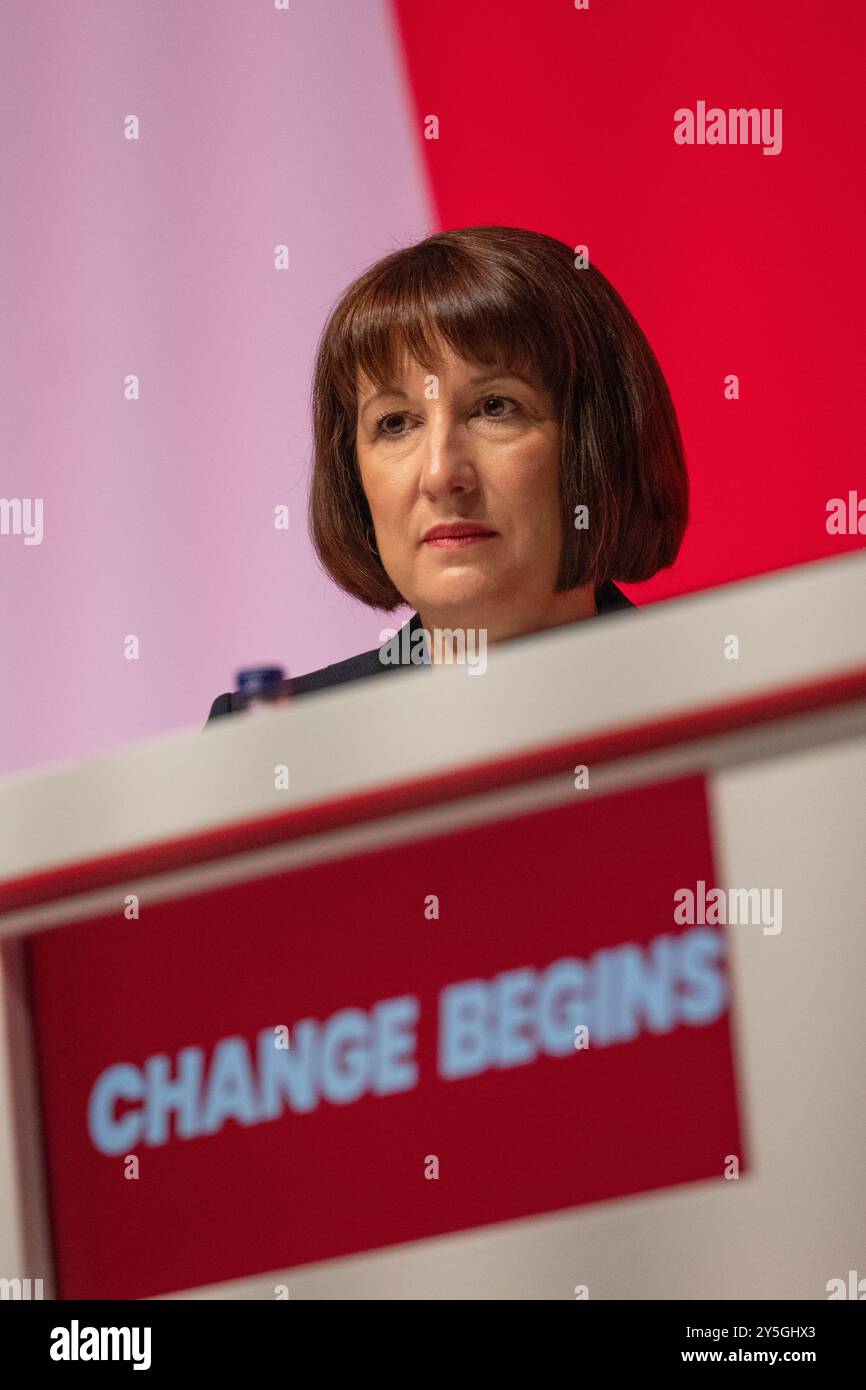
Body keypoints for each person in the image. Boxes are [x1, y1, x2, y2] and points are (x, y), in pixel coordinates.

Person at [206, 224, 688, 721]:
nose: (440, 475)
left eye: (495, 407)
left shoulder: (725, 706)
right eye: (395, 423)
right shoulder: (272, 741)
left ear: (598, 440)